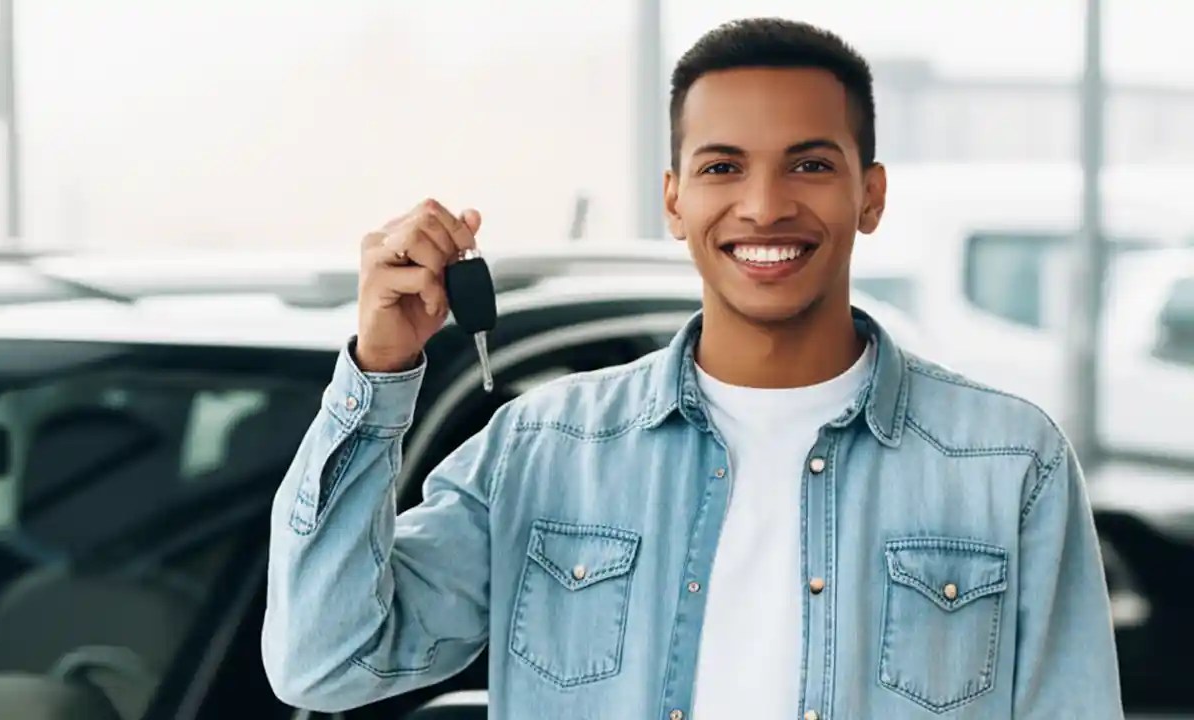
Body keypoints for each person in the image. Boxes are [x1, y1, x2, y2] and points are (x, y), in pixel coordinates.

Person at [261, 17, 1125, 719]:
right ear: (674, 199)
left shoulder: (1010, 461)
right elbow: (325, 663)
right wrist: (377, 375)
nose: (763, 205)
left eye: (811, 164)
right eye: (722, 168)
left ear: (871, 193)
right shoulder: (541, 451)